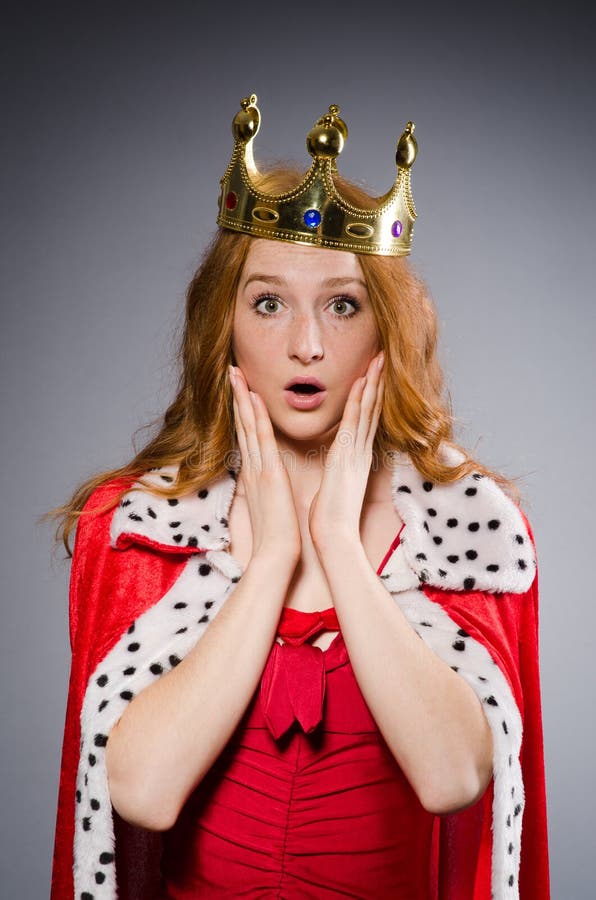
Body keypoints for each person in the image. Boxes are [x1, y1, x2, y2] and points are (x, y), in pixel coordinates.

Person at [50, 95, 550, 899]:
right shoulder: (139, 528)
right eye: (269, 302)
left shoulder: (472, 530)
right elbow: (139, 794)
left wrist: (342, 553)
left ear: (385, 328)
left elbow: (454, 776)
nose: (306, 344)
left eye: (343, 305)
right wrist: (274, 558)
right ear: (226, 324)